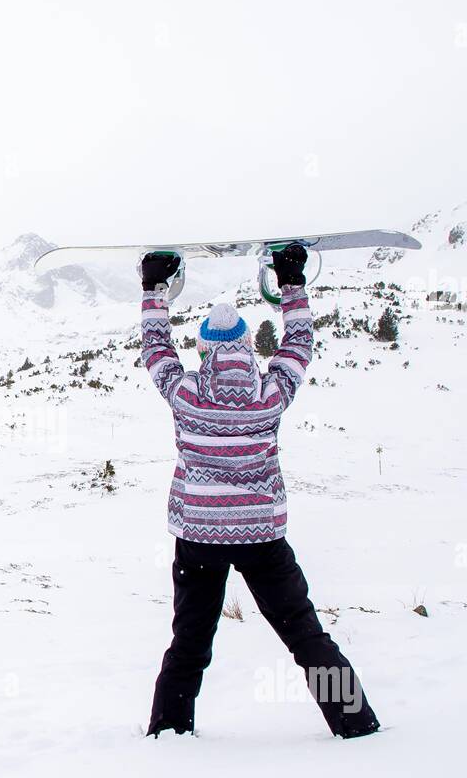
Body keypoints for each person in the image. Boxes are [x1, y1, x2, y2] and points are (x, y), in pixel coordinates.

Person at [139, 247, 380, 739]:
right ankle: (354, 723)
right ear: (248, 348)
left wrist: (153, 290)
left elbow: (155, 350)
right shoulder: (271, 395)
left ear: (204, 350)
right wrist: (292, 282)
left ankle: (168, 732)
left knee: (189, 641)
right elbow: (299, 345)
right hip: (262, 537)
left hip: (199, 536)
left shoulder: (184, 393)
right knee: (305, 634)